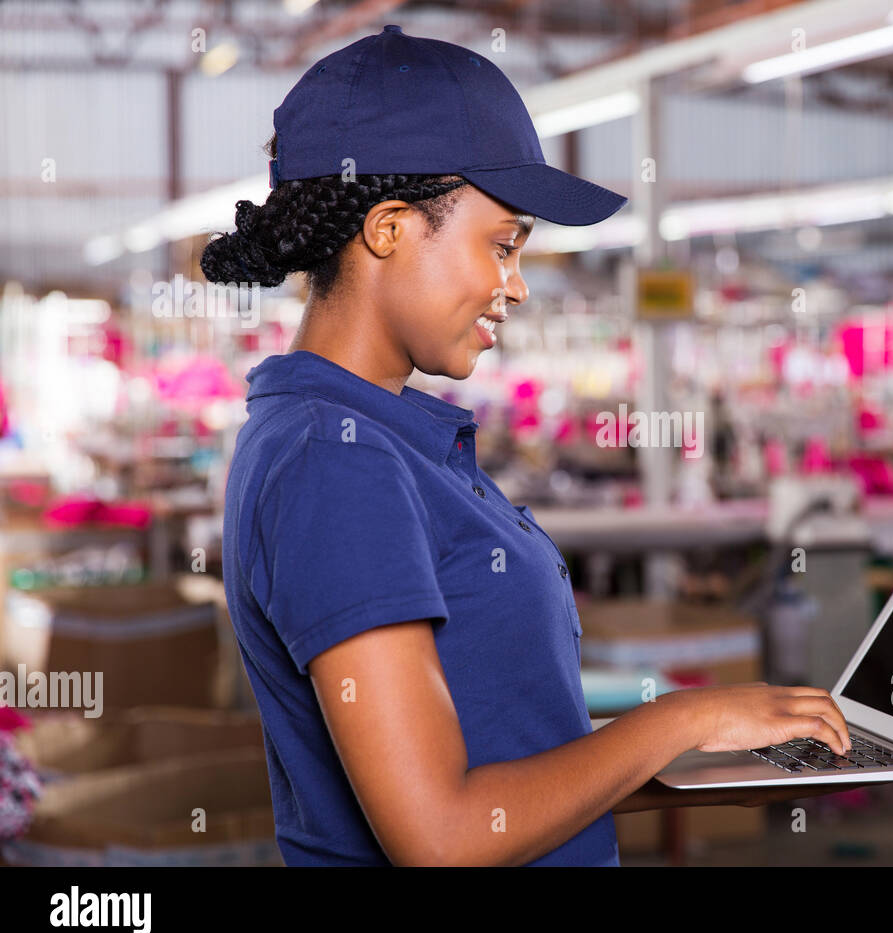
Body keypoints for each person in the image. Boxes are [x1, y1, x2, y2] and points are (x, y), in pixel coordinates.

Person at [205, 25, 852, 867]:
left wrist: (701, 746)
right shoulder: (337, 459)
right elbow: (440, 836)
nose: (514, 285)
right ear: (390, 228)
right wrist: (678, 718)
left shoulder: (367, 436)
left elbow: (504, 757)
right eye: (504, 245)